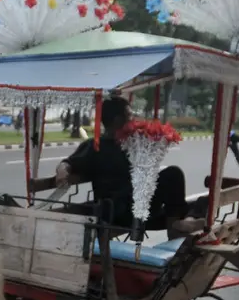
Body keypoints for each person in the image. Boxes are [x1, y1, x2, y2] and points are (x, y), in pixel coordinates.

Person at [54, 97, 205, 237]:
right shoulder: (95, 146)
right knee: (174, 175)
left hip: (138, 202)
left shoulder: (132, 143)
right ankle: (179, 229)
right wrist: (62, 172)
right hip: (117, 210)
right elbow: (68, 163)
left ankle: (184, 224)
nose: (133, 120)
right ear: (118, 120)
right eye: (130, 116)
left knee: (200, 198)